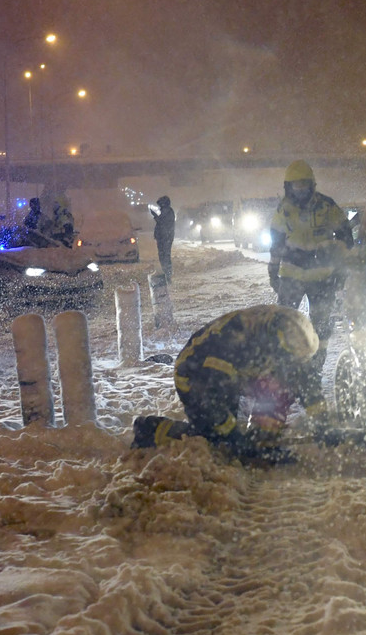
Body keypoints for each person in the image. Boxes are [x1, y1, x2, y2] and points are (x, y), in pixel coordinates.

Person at [130, 305, 329, 461]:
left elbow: (302, 376)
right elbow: (210, 400)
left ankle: (262, 438)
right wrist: (235, 437)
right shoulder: (231, 345)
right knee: (216, 440)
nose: (291, 367)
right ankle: (150, 429)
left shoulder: (285, 329)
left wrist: (322, 421)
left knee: (277, 385)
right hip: (196, 377)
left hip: (232, 375)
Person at [267, 161, 354, 371]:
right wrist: (273, 270)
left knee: (322, 324)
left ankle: (316, 363)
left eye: (303, 184)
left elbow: (345, 237)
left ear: (311, 184)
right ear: (288, 186)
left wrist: (341, 267)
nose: (300, 189)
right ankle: (285, 364)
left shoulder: (326, 206)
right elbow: (276, 243)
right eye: (295, 185)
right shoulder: (283, 210)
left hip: (322, 277)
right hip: (291, 276)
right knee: (285, 323)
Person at [152, 196, 175, 281]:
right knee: (163, 256)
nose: (160, 207)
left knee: (164, 256)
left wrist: (155, 216)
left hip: (165, 237)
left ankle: (167, 274)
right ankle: (167, 273)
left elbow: (162, 223)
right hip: (164, 237)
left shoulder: (167, 211)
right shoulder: (167, 211)